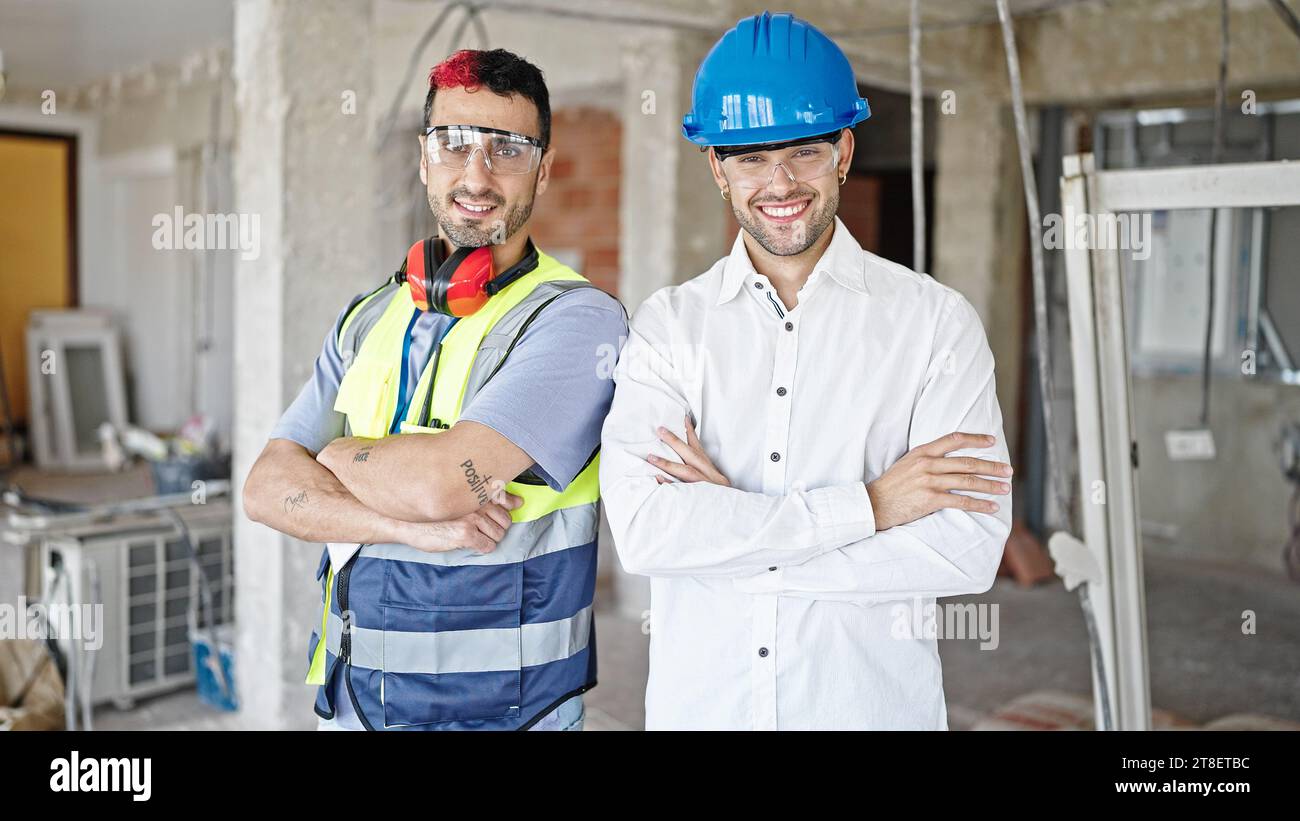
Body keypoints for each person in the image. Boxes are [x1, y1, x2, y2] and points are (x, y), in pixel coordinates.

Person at [599, 12, 1014, 730]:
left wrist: (734, 540)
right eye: (751, 157)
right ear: (716, 167)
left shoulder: (935, 326)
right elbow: (647, 533)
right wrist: (875, 507)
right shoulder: (669, 328)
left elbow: (968, 549)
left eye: (804, 152)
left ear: (844, 150)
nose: (780, 182)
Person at [244, 48, 626, 731]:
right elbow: (265, 489)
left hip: (508, 712)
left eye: (507, 149)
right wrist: (399, 527)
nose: (476, 174)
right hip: (357, 702)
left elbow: (442, 487)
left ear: (544, 166)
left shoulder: (576, 319)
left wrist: (334, 458)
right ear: (424, 159)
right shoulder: (370, 315)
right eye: (453, 144)